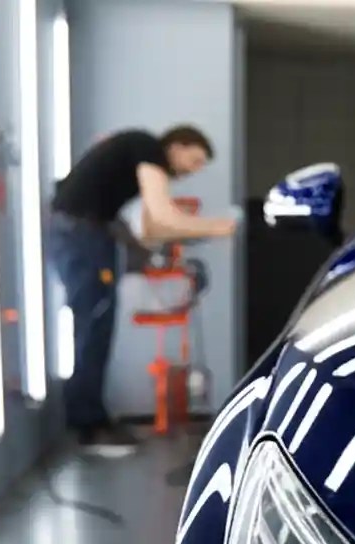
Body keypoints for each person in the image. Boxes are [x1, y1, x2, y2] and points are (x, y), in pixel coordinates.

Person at [47, 124, 238, 456]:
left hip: (84, 232)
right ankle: (88, 426)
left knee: (97, 325)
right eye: (193, 161)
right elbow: (163, 215)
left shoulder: (138, 155)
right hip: (81, 234)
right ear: (177, 146)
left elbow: (153, 228)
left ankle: (95, 419)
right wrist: (220, 227)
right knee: (93, 325)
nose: (190, 171)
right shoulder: (147, 147)